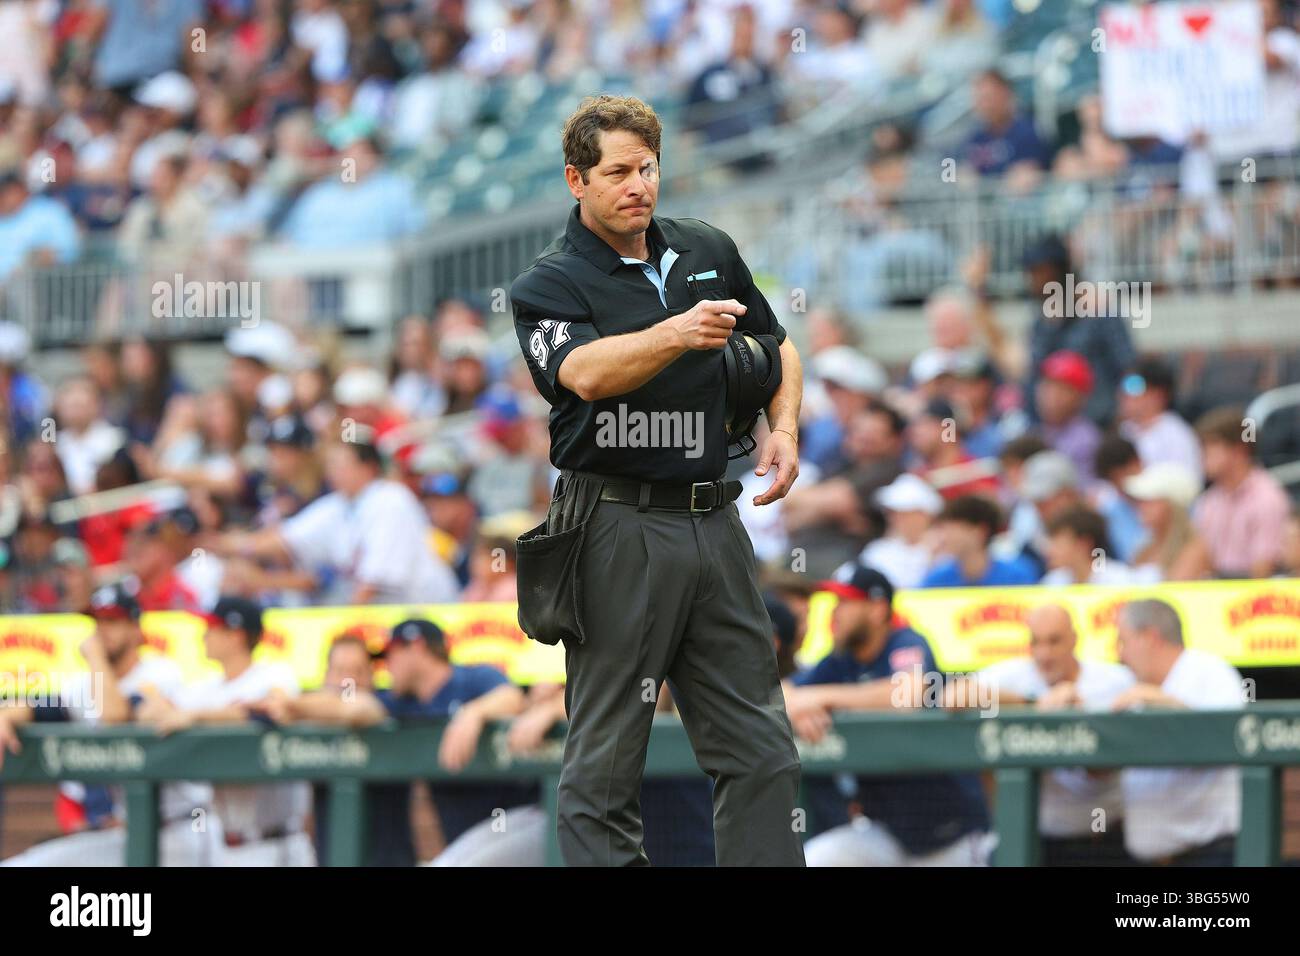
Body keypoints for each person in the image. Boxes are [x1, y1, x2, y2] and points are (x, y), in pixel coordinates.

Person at [509, 94, 805, 866]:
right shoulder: (550, 283)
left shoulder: (706, 245)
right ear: (576, 179)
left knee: (763, 751)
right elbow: (583, 373)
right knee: (606, 764)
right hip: (614, 521)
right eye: (617, 171)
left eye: (648, 167)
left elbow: (779, 346)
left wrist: (784, 426)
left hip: (715, 515)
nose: (637, 184)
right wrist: (678, 332)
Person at [784, 562, 991, 866]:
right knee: (816, 859)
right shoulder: (840, 661)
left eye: (845, 603)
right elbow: (780, 692)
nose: (834, 613)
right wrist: (797, 706)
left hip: (952, 833)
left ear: (877, 609)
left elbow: (905, 696)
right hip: (890, 833)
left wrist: (818, 697)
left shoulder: (906, 641)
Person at [0, 581, 214, 866]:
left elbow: (112, 715)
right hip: (127, 832)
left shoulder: (162, 672)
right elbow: (39, 707)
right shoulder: (84, 684)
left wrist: (95, 656)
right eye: (97, 621)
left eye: (112, 621)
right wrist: (6, 715)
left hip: (183, 830)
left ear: (137, 629)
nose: (102, 631)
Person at [944, 603, 1135, 865]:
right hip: (1035, 843)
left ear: (1074, 640)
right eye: (1036, 643)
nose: (1044, 654)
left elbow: (1104, 768)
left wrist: (1073, 714)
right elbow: (953, 697)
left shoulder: (1112, 680)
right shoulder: (1015, 675)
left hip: (1102, 840)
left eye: (1054, 641)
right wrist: (1033, 705)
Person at [138, 596, 315, 866]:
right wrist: (154, 696)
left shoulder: (274, 674)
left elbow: (271, 709)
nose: (204, 635)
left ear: (236, 635)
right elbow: (151, 713)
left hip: (277, 841)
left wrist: (196, 716)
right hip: (226, 846)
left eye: (213, 628)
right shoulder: (206, 687)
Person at [215, 433, 459, 604]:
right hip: (389, 616)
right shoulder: (339, 504)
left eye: (341, 464)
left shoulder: (390, 499)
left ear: (369, 467)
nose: (333, 472)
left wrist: (341, 629)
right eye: (331, 464)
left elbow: (370, 586)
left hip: (429, 612)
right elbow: (284, 539)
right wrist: (228, 544)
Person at [1113, 599, 1244, 866]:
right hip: (1149, 857)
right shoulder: (1130, 684)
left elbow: (1225, 740)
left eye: (1123, 642)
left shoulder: (1209, 672)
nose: (1120, 655)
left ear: (1149, 637)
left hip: (1210, 854)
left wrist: (1162, 701)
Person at [1192, 406, 1292, 578]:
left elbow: (1263, 571)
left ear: (1239, 450)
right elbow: (1200, 559)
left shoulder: (1267, 498)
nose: (1203, 455)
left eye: (1211, 446)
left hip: (1252, 598)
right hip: (1215, 590)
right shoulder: (1209, 500)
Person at [921, 494, 1038, 588]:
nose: (945, 537)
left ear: (980, 532)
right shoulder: (937, 580)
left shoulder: (1017, 577)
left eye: (952, 529)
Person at [1118, 357, 1202, 483]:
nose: (1124, 393)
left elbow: (1186, 486)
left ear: (1159, 394)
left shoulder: (1177, 436)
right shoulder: (1123, 431)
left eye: (1133, 385)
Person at [1126, 463, 1212, 581]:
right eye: (1140, 501)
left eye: (1149, 500)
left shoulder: (1195, 550)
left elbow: (1174, 593)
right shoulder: (1144, 549)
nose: (1141, 507)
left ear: (1172, 506)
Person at [860, 473, 942, 589]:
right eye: (892, 513)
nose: (896, 519)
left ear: (925, 515)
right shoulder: (878, 551)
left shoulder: (946, 549)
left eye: (904, 513)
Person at [1034, 350, 1102, 485]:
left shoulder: (1086, 439)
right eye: (1048, 386)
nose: (1051, 396)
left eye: (1061, 389)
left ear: (1079, 397)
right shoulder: (1037, 430)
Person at [1041, 504, 1147, 586]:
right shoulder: (1053, 582)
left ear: (1083, 544)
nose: (1050, 551)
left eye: (1059, 544)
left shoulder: (1120, 580)